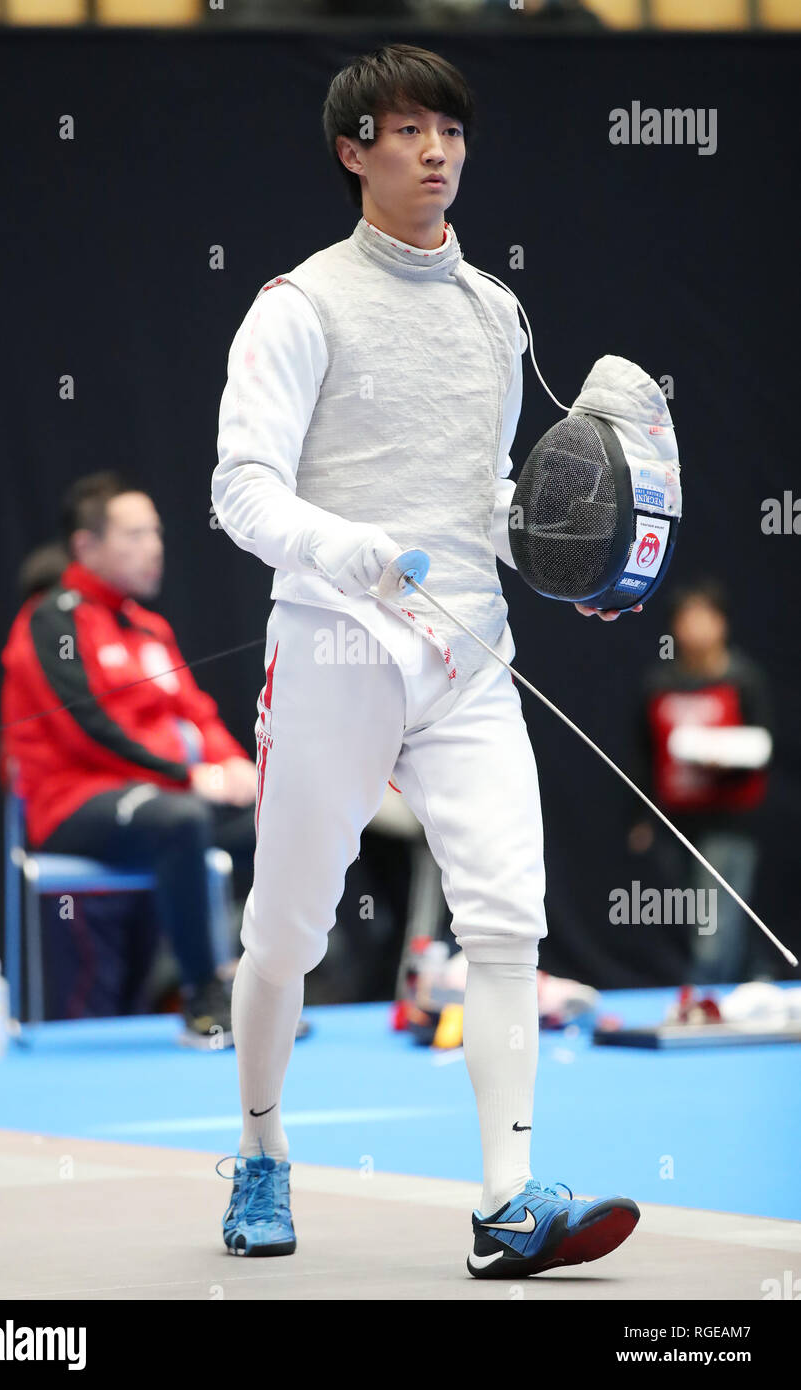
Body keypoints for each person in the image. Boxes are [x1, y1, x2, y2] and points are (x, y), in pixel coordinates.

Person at [211, 43, 643, 1278]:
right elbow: (239, 489)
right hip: (335, 644)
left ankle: (508, 1200)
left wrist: (575, 567)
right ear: (353, 153)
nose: (433, 150)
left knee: (507, 916)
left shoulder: (492, 310)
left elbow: (490, 495)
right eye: (403, 132)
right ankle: (260, 1151)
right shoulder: (297, 306)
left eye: (446, 129)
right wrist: (348, 549)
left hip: (466, 654)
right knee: (286, 929)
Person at [0, 472, 263, 1043]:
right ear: (86, 547)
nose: (154, 547)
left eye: (157, 533)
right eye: (135, 534)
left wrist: (238, 766)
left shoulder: (150, 627)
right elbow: (85, 730)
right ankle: (203, 999)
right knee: (182, 818)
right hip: (72, 806)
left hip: (158, 801)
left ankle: (261, 984)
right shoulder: (51, 621)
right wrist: (191, 774)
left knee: (280, 820)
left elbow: (197, 713)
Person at [630, 579, 773, 985]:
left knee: (716, 922)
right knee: (694, 917)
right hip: (676, 821)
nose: (694, 628)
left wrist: (723, 759)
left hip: (728, 820)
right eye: (686, 618)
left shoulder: (744, 679)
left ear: (721, 623)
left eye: (703, 617)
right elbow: (644, 754)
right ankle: (750, 977)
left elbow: (763, 746)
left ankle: (709, 997)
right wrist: (642, 817)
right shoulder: (660, 683)